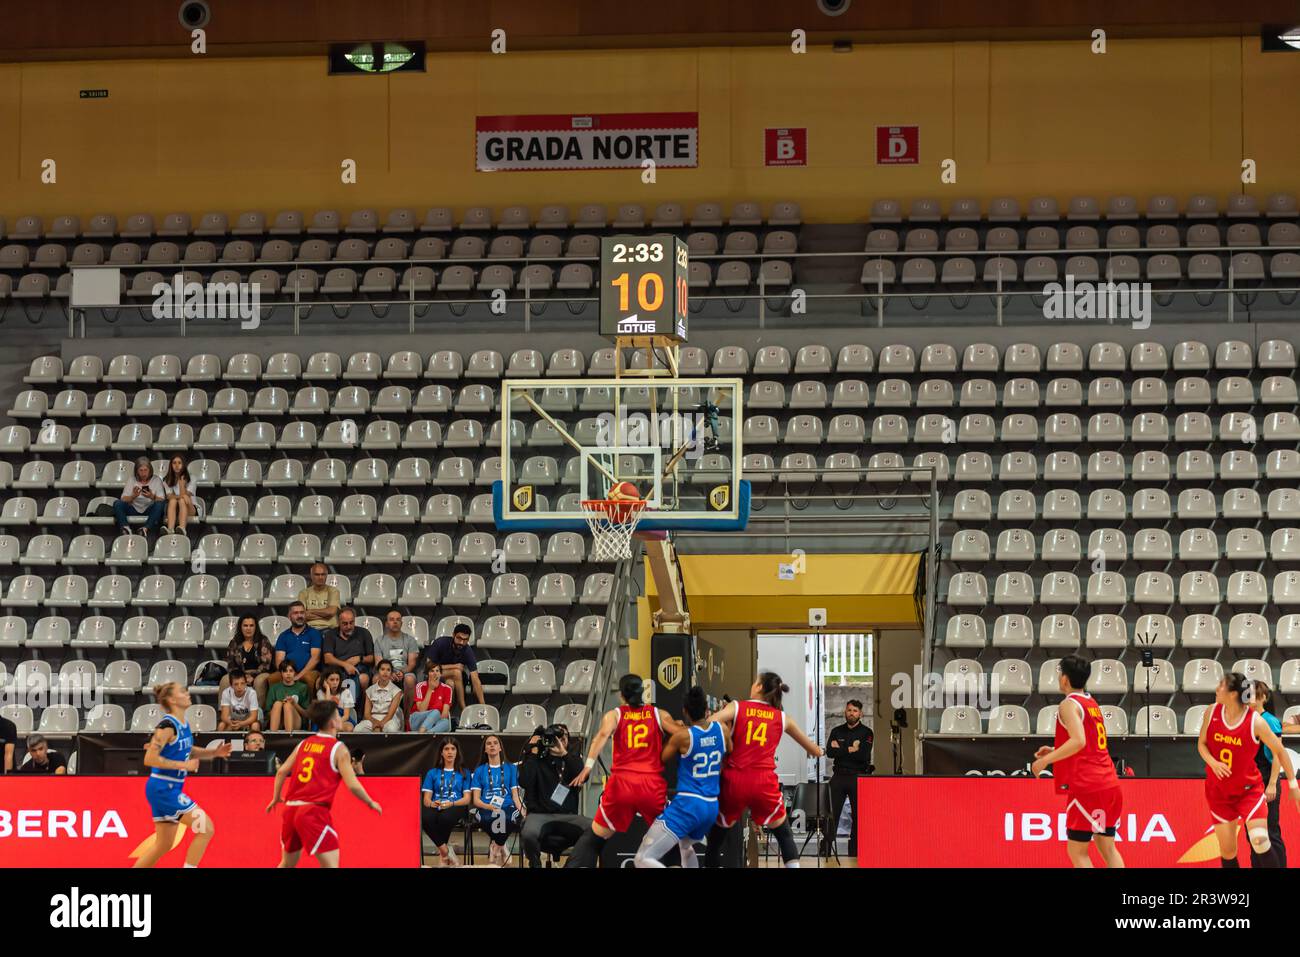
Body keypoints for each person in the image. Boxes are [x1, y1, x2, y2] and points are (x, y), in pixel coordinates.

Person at [705, 672, 825, 869]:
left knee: (716, 839)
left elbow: (709, 724)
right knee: (784, 835)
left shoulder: (737, 706)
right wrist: (821, 750)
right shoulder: (781, 717)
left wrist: (728, 726)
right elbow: (813, 749)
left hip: (735, 780)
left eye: (755, 683)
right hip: (764, 781)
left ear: (759, 687)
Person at [565, 674, 683, 868]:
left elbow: (601, 736)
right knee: (668, 837)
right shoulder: (658, 714)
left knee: (595, 837)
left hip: (622, 784)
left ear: (622, 695)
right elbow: (682, 735)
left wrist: (587, 767)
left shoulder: (615, 715)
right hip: (650, 785)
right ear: (642, 692)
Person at [1030, 655, 1125, 868]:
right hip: (1109, 784)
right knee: (1108, 848)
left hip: (1088, 787)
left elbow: (1079, 741)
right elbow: (1090, 744)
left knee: (1077, 852)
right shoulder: (1091, 703)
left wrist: (1045, 761)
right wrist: (1055, 749)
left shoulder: (1068, 705)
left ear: (1064, 679)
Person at [1199, 673, 1299, 867]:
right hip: (1219, 792)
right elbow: (1201, 744)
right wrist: (1213, 762)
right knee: (1228, 852)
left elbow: (1280, 751)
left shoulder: (1257, 721)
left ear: (1233, 694)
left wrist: (1293, 784)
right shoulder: (1211, 712)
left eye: (1222, 686)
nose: (1217, 688)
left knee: (1260, 840)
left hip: (1249, 790)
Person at [266, 700, 382, 868]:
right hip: (313, 811)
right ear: (332, 722)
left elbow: (281, 771)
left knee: (287, 863)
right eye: (338, 714)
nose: (341, 717)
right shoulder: (338, 748)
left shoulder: (304, 744)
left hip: (290, 810)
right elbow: (353, 784)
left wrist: (276, 798)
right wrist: (370, 802)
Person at [133, 682, 232, 867]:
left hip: (166, 788)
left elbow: (187, 748)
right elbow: (149, 758)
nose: (187, 693)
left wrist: (213, 753)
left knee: (163, 845)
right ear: (172, 700)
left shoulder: (183, 724)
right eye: (182, 691)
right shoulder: (166, 726)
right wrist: (183, 765)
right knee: (206, 828)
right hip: (164, 788)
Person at [634, 686, 727, 868]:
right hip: (711, 805)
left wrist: (668, 734)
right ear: (707, 709)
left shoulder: (683, 737)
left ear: (685, 711)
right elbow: (729, 752)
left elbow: (660, 758)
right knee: (685, 846)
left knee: (642, 858)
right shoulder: (721, 729)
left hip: (688, 804)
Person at [518, 724, 590, 868]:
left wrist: (564, 754)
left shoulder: (573, 759)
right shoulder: (536, 759)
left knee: (595, 829)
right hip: (539, 815)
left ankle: (572, 865)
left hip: (568, 816)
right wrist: (532, 752)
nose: (560, 740)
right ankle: (536, 865)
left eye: (564, 737)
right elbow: (525, 781)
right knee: (528, 834)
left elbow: (583, 777)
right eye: (556, 738)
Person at [823, 698, 872, 857]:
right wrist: (851, 749)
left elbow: (862, 755)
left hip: (858, 777)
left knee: (859, 816)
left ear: (861, 714)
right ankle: (826, 850)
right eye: (849, 710)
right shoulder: (837, 731)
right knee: (831, 814)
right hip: (839, 776)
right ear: (845, 712)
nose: (851, 713)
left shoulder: (867, 733)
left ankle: (855, 852)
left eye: (855, 711)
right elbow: (830, 752)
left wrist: (841, 749)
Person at [1248, 681, 1287, 868]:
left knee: (1270, 832)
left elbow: (1278, 754)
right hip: (1250, 784)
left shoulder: (1270, 721)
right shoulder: (1245, 721)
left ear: (1263, 697)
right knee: (1253, 835)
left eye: (1253, 695)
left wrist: (1272, 784)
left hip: (1266, 780)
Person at [471, 734, 524, 866]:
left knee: (507, 818)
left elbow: (515, 796)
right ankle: (502, 844)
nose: (492, 745)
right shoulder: (479, 770)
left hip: (507, 806)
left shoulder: (511, 768)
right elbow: (476, 800)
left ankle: (496, 846)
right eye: (489, 744)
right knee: (489, 818)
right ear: (485, 749)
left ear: (500, 748)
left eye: (495, 743)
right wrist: (489, 807)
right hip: (486, 806)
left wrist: (524, 811)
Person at [422, 738, 471, 866]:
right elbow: (426, 799)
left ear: (457, 752)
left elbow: (467, 799)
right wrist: (432, 803)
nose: (450, 752)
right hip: (436, 805)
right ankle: (446, 851)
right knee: (425, 817)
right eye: (446, 749)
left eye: (453, 749)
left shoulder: (464, 772)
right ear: (441, 753)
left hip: (456, 804)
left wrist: (452, 803)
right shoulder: (432, 773)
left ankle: (443, 856)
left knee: (445, 818)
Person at [421, 622, 485, 711]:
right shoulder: (441, 642)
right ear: (453, 635)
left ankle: (448, 713)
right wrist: (454, 666)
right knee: (456, 671)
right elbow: (428, 666)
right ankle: (463, 708)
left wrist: (483, 706)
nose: (462, 642)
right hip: (434, 675)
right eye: (459, 638)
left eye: (465, 640)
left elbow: (475, 677)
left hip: (454, 679)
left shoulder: (467, 650)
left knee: (450, 683)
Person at [221, 614, 277, 708]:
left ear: (256, 627)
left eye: (251, 625)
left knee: (259, 681)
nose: (248, 628)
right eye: (245, 626)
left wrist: (252, 676)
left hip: (261, 673)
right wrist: (242, 677)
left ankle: (257, 715)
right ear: (240, 627)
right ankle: (224, 714)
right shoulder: (234, 642)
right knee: (225, 680)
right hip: (240, 674)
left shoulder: (263, 640)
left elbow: (266, 664)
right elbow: (231, 664)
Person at [321, 607, 374, 701]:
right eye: (345, 623)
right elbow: (328, 658)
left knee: (363, 679)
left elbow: (371, 658)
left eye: (351, 622)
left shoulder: (364, 633)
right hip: (337, 669)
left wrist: (359, 658)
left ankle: (358, 710)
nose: (349, 626)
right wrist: (346, 665)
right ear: (338, 622)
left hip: (359, 668)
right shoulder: (330, 635)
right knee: (326, 680)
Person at [374, 608, 420, 714]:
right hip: (385, 671)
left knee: (410, 679)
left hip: (404, 672)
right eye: (391, 619)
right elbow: (378, 662)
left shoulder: (410, 640)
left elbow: (412, 663)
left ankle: (407, 715)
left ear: (401, 623)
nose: (395, 622)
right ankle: (380, 713)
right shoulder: (379, 640)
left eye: (398, 620)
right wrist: (388, 673)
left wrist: (402, 672)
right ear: (386, 623)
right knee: (376, 678)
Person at [114, 456, 168, 538]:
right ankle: (126, 528)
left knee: (160, 504)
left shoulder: (156, 480)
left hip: (150, 509)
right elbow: (123, 499)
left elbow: (162, 499)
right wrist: (133, 496)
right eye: (141, 470)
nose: (143, 473)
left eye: (145, 470)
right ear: (137, 471)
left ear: (150, 470)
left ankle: (145, 529)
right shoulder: (132, 480)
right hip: (133, 508)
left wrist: (151, 496)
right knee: (117, 503)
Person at [274, 601, 322, 692]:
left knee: (308, 678)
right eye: (296, 613)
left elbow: (315, 658)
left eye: (302, 613)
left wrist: (298, 676)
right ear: (289, 616)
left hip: (309, 671)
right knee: (272, 678)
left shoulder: (314, 633)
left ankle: (308, 706)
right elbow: (279, 660)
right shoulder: (283, 636)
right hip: (287, 672)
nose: (299, 616)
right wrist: (288, 674)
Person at [356, 659, 403, 733]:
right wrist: (375, 723)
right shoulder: (369, 690)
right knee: (358, 729)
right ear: (378, 672)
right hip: (373, 718)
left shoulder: (397, 691)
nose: (385, 672)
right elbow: (367, 714)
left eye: (388, 670)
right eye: (382, 669)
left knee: (391, 729)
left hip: (389, 719)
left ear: (391, 673)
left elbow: (390, 714)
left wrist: (380, 725)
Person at [161, 453, 200, 535]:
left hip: (191, 508)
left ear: (183, 465)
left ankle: (182, 529)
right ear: (171, 465)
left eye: (179, 463)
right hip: (176, 509)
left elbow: (187, 496)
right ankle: (170, 529)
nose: (177, 465)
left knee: (182, 500)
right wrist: (178, 496)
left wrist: (181, 483)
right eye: (174, 463)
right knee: (172, 500)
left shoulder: (192, 478)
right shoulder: (166, 480)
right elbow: (169, 496)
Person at [267, 660, 310, 732]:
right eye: (285, 671)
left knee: (287, 705)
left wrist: (294, 704)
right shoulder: (274, 688)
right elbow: (267, 713)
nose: (288, 674)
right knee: (278, 703)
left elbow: (306, 714)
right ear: (281, 673)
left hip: (296, 722)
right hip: (279, 722)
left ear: (295, 673)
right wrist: (280, 706)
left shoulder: (303, 687)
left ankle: (288, 736)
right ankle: (273, 734)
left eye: (291, 671)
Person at [409, 662, 453, 733]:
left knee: (446, 722)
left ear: (440, 674)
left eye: (437, 671)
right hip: (417, 720)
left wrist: (432, 720)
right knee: (435, 712)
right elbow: (421, 710)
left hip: (434, 723)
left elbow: (444, 714)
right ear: (427, 674)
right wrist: (430, 689)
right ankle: (423, 731)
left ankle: (425, 734)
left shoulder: (447, 689)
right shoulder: (420, 686)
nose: (435, 673)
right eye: (432, 671)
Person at [299, 562, 341, 631]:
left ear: (326, 575)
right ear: (311, 576)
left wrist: (310, 611)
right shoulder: (303, 593)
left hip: (329, 629)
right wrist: (326, 615)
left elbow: (331, 612)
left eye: (323, 574)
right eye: (317, 575)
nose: (320, 577)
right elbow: (302, 615)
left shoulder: (334, 591)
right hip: (309, 629)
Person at [217, 668, 262, 733]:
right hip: (233, 721)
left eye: (242, 683)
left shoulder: (252, 693)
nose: (239, 687)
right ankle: (223, 743)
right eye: (236, 684)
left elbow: (254, 717)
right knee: (221, 725)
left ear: (246, 683)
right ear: (231, 685)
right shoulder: (226, 692)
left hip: (247, 721)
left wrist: (241, 724)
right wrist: (231, 723)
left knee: (255, 725)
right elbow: (224, 716)